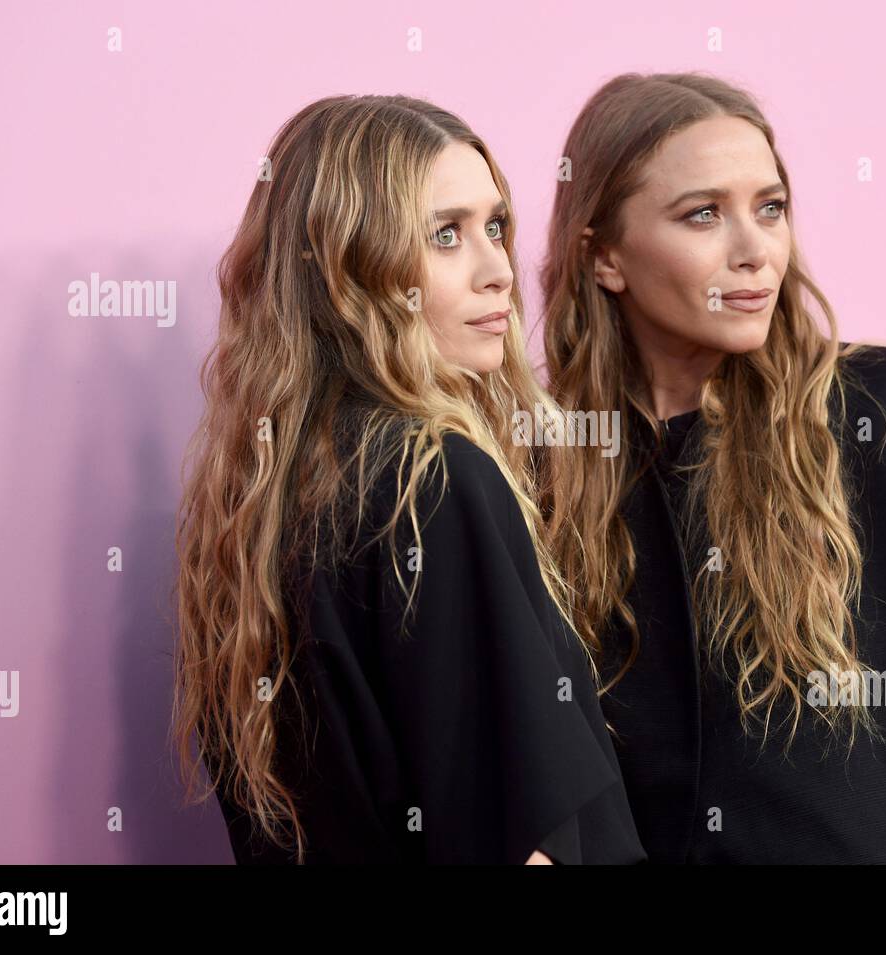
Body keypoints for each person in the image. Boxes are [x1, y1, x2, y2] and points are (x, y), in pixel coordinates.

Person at [538, 72, 886, 863]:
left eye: (770, 208)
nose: (754, 251)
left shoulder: (885, 408)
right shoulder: (539, 460)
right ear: (604, 257)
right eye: (703, 214)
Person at [170, 94, 646, 865]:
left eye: (495, 227)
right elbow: (521, 841)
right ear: (347, 266)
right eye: (446, 235)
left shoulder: (254, 510)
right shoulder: (437, 480)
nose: (498, 271)